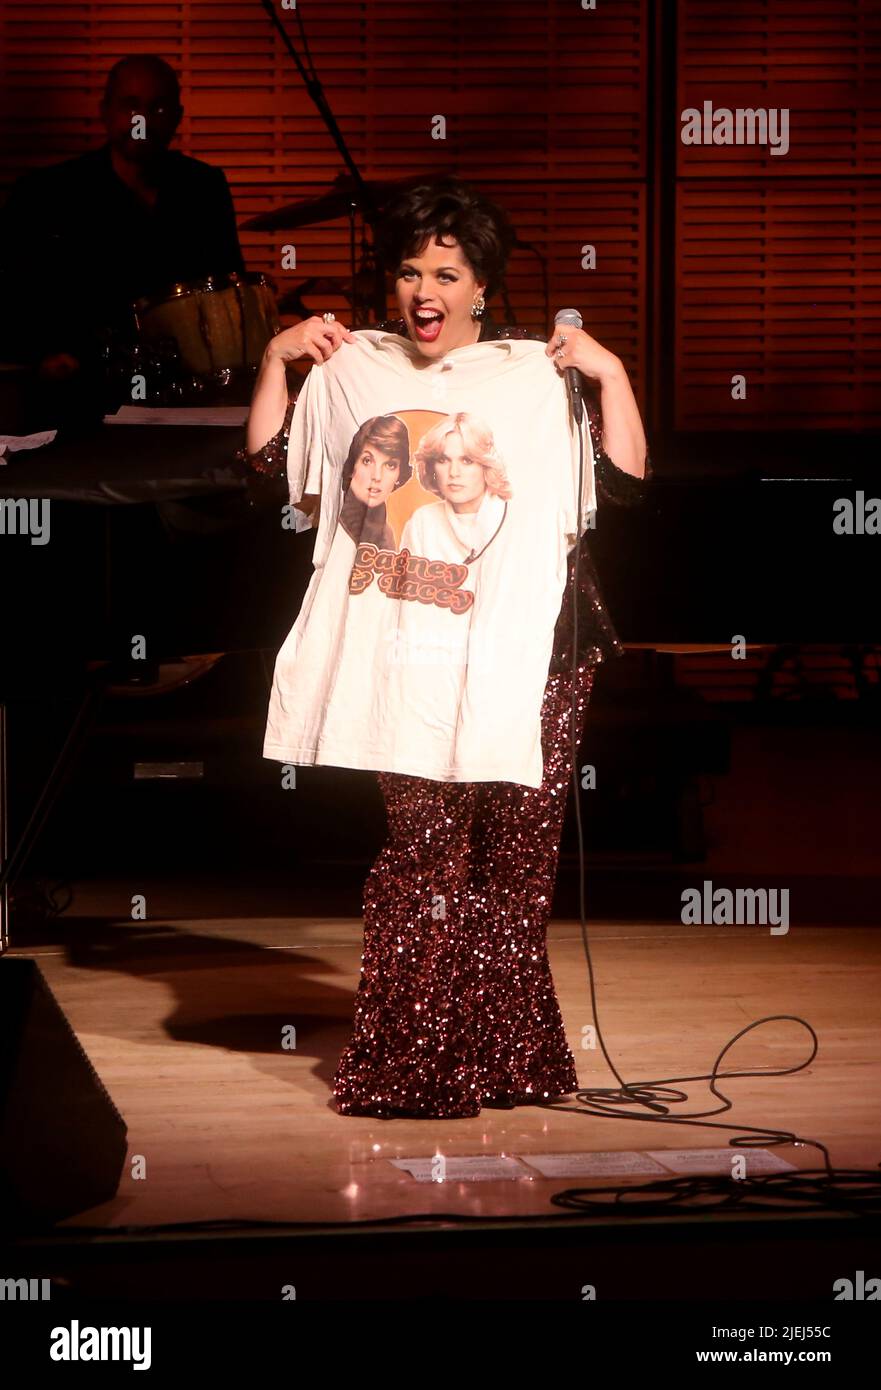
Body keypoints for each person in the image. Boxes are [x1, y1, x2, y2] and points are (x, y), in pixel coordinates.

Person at [241, 177, 651, 1118]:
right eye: (409, 271)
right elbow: (268, 473)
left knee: (515, 867)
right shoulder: (355, 367)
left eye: (447, 273)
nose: (424, 291)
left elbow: (626, 488)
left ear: (481, 289)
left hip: (539, 651)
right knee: (423, 856)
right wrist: (276, 357)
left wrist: (611, 373)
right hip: (410, 654)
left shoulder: (535, 376)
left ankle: (505, 1061)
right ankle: (411, 1061)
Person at [0, 54, 245, 425]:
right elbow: (16, 299)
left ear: (177, 116)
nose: (142, 120)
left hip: (185, 395)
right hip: (82, 395)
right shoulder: (46, 194)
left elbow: (229, 291)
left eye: (158, 107)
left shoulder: (204, 187)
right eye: (131, 105)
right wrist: (45, 355)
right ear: (106, 111)